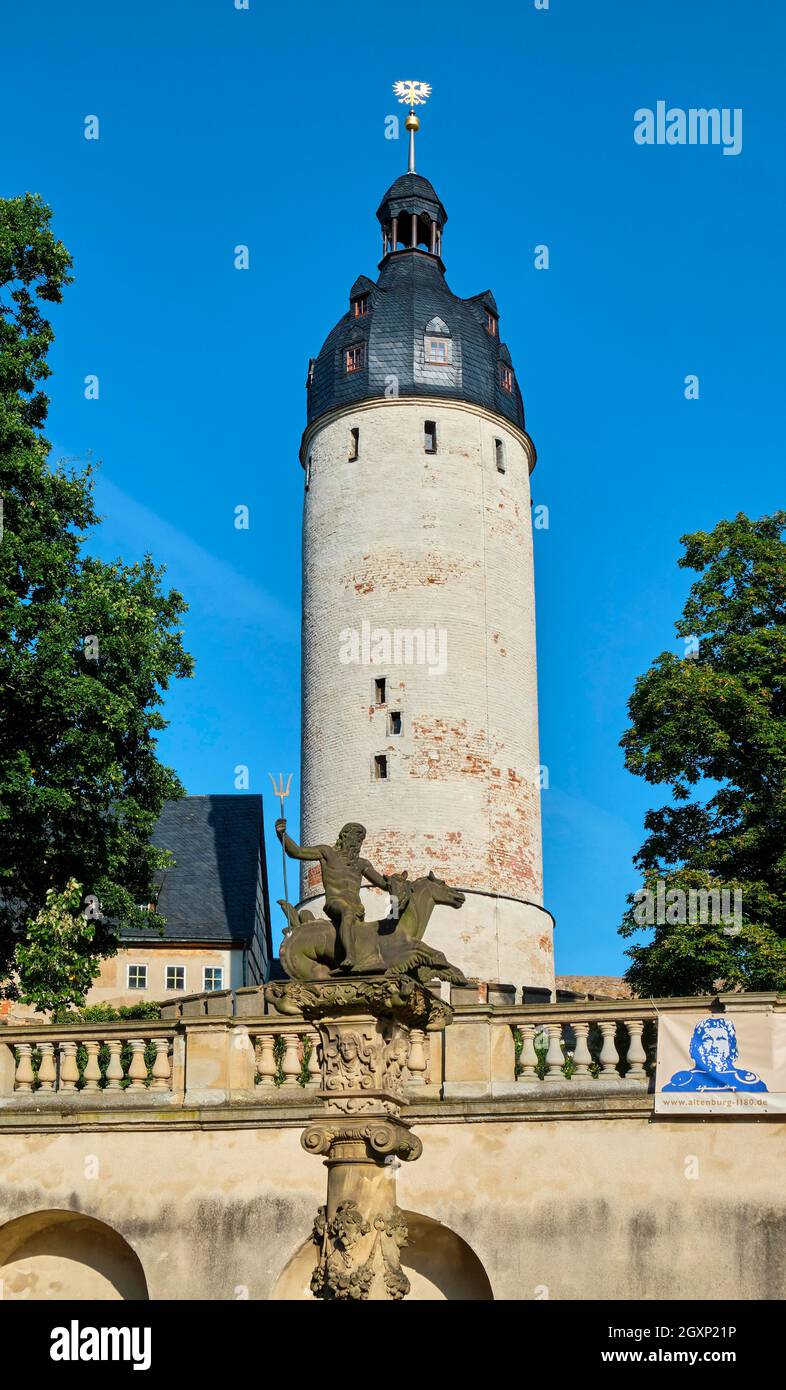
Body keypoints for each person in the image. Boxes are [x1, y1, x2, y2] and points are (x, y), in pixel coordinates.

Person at [275, 820, 390, 971]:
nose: (357, 844)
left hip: (358, 909)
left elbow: (383, 884)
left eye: (360, 841)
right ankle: (350, 956)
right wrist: (282, 834)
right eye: (355, 838)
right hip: (335, 902)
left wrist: (397, 883)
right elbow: (296, 852)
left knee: (361, 923)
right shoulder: (327, 853)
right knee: (347, 912)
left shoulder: (362, 864)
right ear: (344, 835)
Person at [663, 1016, 767, 1092]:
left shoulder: (752, 1084)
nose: (714, 1045)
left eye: (720, 1039)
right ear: (697, 1046)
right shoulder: (678, 1085)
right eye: (708, 1039)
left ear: (730, 1046)